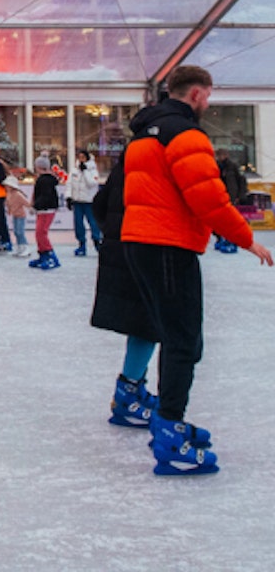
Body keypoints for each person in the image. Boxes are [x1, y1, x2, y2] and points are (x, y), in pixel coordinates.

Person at [122, 65, 272, 476]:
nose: (210, 101)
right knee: (183, 340)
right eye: (209, 94)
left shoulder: (144, 133)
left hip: (142, 241)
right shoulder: (185, 134)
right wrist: (247, 238)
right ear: (196, 95)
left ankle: (167, 420)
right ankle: (170, 432)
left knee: (175, 335)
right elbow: (209, 197)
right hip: (167, 244)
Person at [91, 156, 161, 430]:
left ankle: (133, 387)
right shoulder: (156, 155)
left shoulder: (130, 157)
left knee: (142, 322)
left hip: (121, 245)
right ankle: (128, 395)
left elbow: (101, 203)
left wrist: (112, 232)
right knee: (148, 322)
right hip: (146, 245)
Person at [213, 148, 249, 253]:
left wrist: (241, 196)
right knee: (218, 220)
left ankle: (232, 240)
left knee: (231, 219)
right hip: (218, 196)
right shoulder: (214, 166)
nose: (221, 157)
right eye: (219, 155)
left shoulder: (233, 166)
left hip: (231, 197)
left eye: (223, 155)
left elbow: (242, 181)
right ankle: (220, 238)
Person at [28, 156, 60, 269]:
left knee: (41, 232)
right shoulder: (43, 179)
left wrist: (36, 206)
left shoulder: (45, 180)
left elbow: (44, 196)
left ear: (38, 167)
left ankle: (51, 256)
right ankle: (43, 254)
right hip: (44, 209)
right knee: (39, 233)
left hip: (46, 209)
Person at [68, 149, 101, 256]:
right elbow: (69, 184)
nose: (81, 159)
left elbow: (92, 183)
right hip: (78, 200)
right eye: (79, 157)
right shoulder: (74, 170)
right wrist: (69, 196)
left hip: (89, 201)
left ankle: (97, 241)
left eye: (83, 157)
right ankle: (81, 243)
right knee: (78, 223)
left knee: (93, 222)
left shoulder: (93, 170)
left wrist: (86, 171)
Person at [3, 176, 31, 258]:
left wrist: (31, 208)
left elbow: (26, 203)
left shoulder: (18, 195)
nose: (6, 187)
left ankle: (25, 248)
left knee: (20, 232)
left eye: (7, 185)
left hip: (20, 215)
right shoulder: (9, 194)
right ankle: (20, 247)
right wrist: (9, 210)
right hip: (15, 215)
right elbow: (8, 204)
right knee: (16, 232)